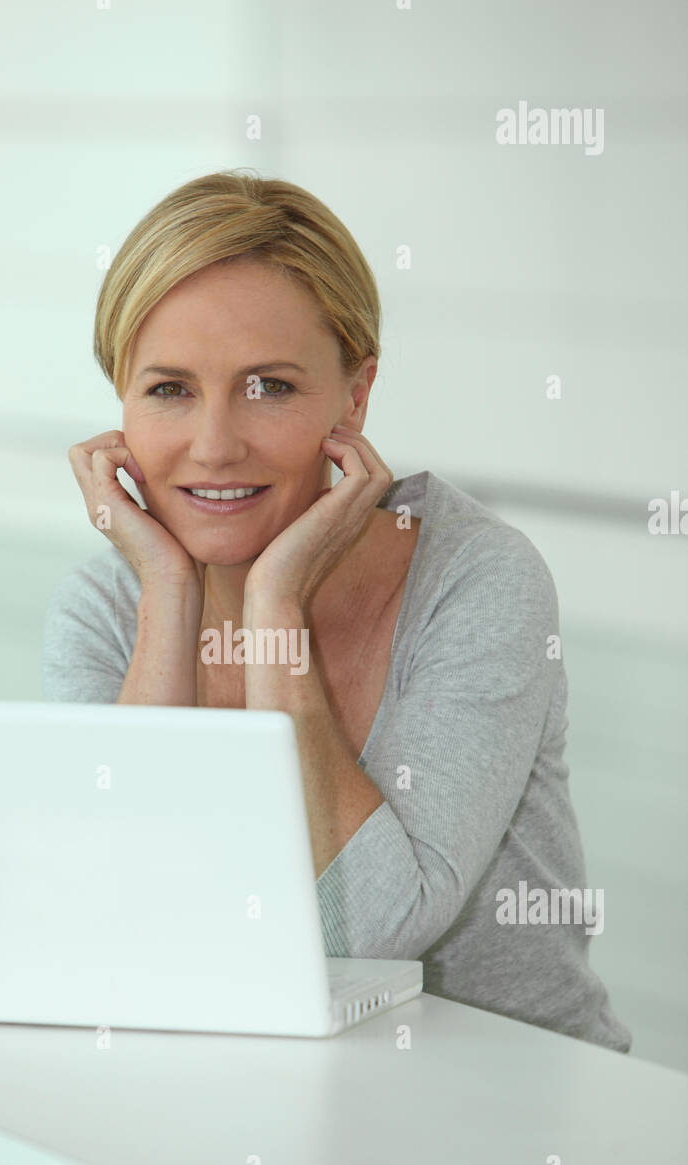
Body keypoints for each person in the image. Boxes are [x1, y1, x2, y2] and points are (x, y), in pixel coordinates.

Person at [43, 170, 631, 1053]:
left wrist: (274, 607)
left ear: (354, 396)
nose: (215, 445)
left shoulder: (478, 582)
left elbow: (370, 934)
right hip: (257, 1088)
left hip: (510, 1097)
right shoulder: (106, 610)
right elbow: (118, 911)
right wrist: (168, 592)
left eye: (269, 387)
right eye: (169, 389)